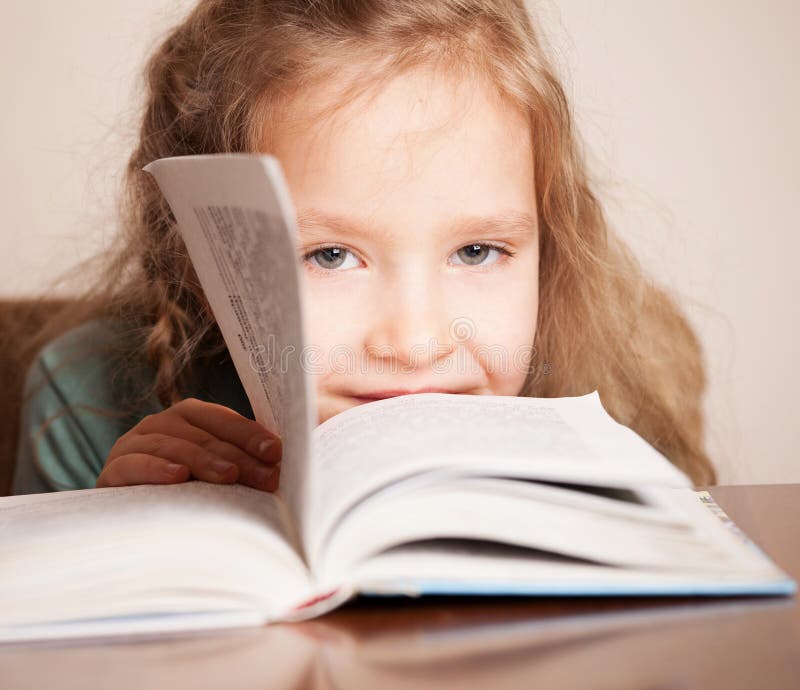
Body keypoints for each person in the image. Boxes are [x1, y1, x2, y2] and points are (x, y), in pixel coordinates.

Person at [10, 0, 716, 495]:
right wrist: (117, 542)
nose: (415, 343)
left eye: (476, 252)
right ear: (200, 261)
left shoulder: (628, 373)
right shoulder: (86, 398)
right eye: (330, 256)